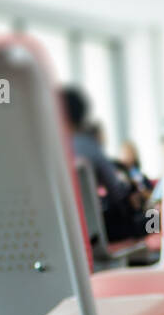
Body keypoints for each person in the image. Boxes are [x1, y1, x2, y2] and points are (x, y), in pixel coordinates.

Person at [60, 86, 147, 240]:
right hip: (95, 234)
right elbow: (116, 192)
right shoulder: (88, 146)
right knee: (152, 219)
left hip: (62, 233)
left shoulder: (48, 150)